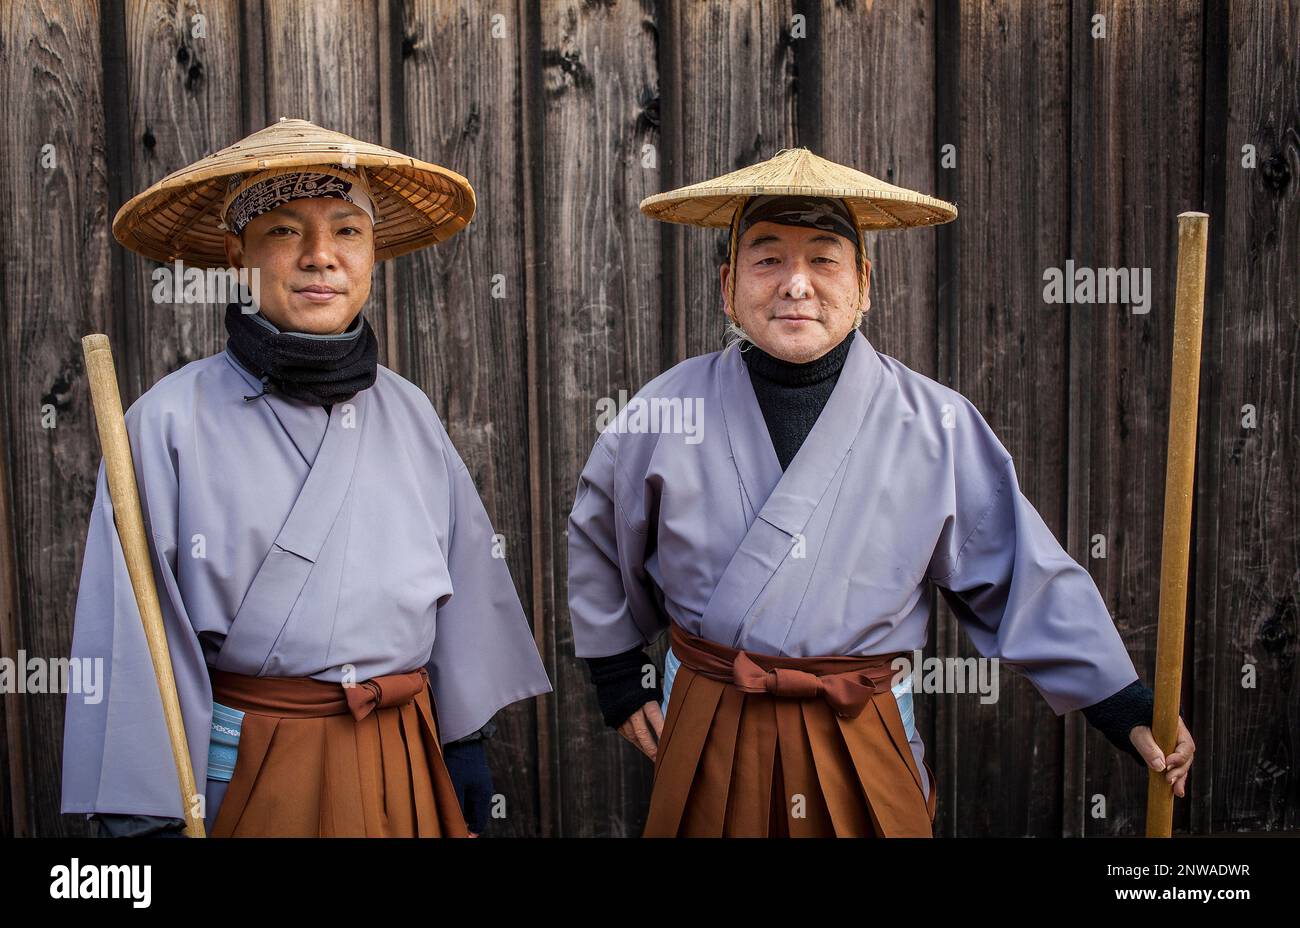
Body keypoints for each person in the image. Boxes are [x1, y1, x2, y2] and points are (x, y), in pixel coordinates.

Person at [567, 148, 1195, 837]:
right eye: (767, 258)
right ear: (728, 285)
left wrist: (1124, 705)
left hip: (861, 731)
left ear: (864, 283)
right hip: (710, 723)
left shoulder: (935, 425)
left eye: (825, 259)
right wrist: (619, 680)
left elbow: (1019, 570)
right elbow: (601, 539)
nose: (796, 285)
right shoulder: (664, 412)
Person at [61, 118, 551, 837]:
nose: (321, 257)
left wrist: (462, 742)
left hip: (403, 764)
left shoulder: (408, 411)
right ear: (238, 253)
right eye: (285, 232)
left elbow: (465, 591)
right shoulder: (165, 423)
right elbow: (131, 637)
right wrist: (147, 817)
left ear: (373, 251)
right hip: (251, 772)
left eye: (347, 231)